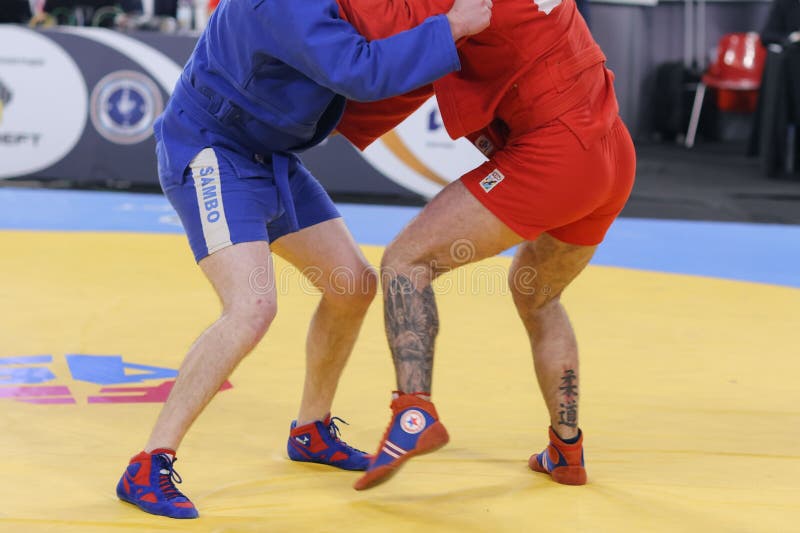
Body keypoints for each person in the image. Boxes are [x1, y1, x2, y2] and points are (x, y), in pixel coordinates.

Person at [114, 0, 492, 519]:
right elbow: (359, 71)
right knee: (251, 307)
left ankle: (311, 431)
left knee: (352, 286)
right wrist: (451, 28)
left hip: (269, 156)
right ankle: (148, 462)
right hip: (211, 149)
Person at [332, 0, 636, 490]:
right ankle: (567, 448)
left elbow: (369, 28)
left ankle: (414, 413)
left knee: (406, 261)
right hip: (610, 150)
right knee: (538, 295)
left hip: (557, 152)